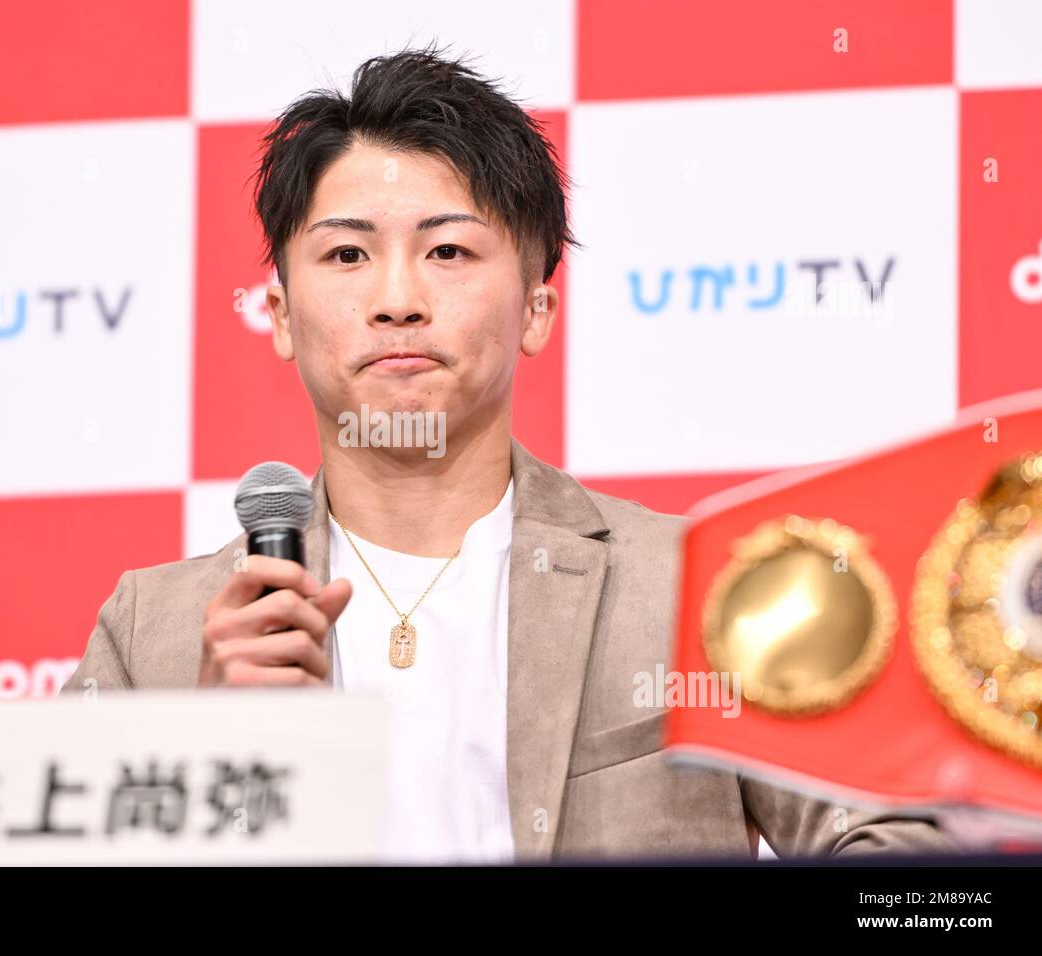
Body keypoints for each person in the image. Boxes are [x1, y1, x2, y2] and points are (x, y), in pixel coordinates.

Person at [61, 44, 954, 864]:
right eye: (346, 254)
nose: (397, 298)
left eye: (447, 249)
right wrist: (199, 772)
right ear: (283, 317)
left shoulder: (694, 586)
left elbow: (906, 863)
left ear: (536, 309)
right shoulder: (158, 631)